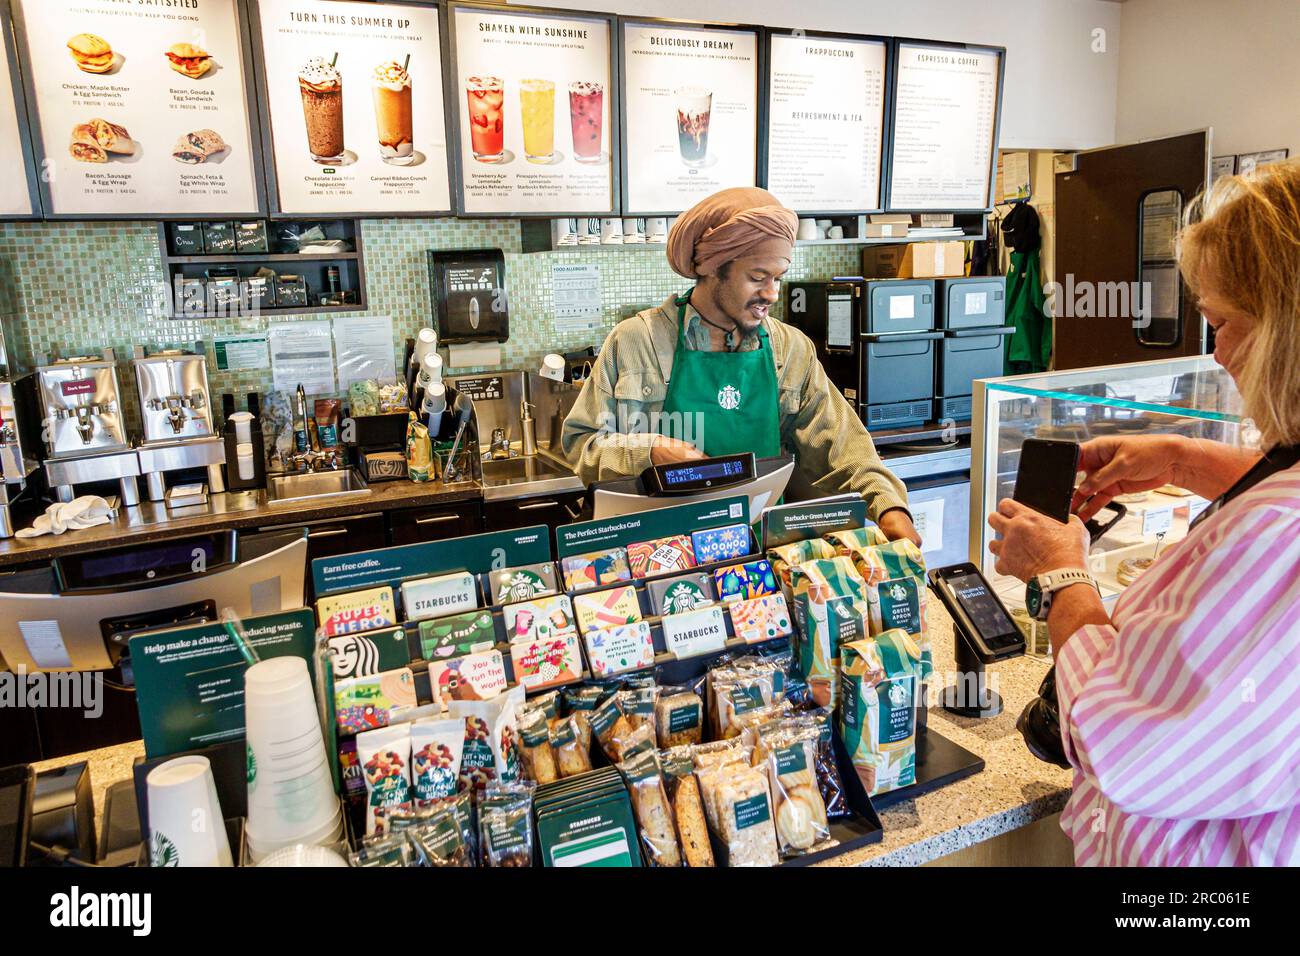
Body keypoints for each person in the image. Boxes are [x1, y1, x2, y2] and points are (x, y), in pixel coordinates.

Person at [988, 161, 1300, 865]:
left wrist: (1064, 576)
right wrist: (1187, 461)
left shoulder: (1281, 539)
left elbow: (1131, 749)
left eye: (1224, 324)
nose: (1216, 352)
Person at [561, 187, 920, 544]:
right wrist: (649, 451)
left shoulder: (788, 349)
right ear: (713, 268)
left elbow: (844, 445)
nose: (772, 294)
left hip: (759, 561)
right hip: (660, 558)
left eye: (777, 278)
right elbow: (582, 445)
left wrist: (890, 509)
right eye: (757, 277)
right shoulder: (636, 342)